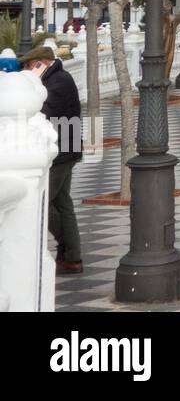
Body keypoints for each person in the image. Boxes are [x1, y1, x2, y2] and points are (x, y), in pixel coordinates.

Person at [21, 45, 83, 275]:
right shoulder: (55, 79)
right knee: (62, 203)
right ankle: (71, 256)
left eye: (29, 66)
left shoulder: (57, 82)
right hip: (64, 151)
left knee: (42, 202)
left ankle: (68, 249)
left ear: (42, 63)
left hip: (60, 153)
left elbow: (42, 112)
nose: (28, 71)